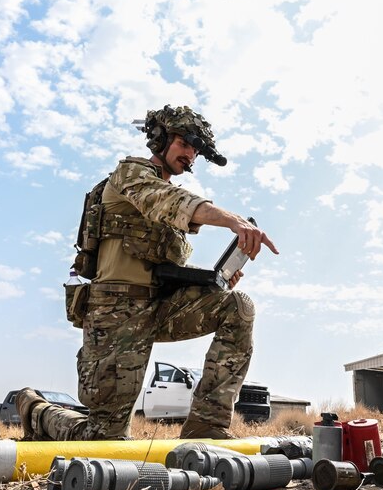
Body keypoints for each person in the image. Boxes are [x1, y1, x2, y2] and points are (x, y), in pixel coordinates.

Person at [18, 105, 277, 441]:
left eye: (196, 150)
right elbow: (169, 200)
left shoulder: (170, 206)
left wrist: (215, 282)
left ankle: (206, 426)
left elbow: (164, 268)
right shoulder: (130, 176)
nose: (191, 155)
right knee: (103, 439)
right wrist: (232, 220)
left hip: (159, 307)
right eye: (185, 144)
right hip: (115, 312)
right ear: (160, 139)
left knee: (236, 306)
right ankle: (36, 411)